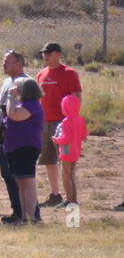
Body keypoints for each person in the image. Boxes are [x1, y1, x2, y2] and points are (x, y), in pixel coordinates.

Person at [0, 50, 38, 224]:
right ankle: (18, 212)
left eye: (8, 61)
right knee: (9, 175)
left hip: (22, 140)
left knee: (24, 178)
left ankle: (31, 214)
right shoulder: (6, 82)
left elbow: (24, 111)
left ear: (19, 63)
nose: (4, 64)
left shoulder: (26, 83)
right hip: (6, 137)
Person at [35, 43, 81, 208]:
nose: (45, 56)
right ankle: (55, 194)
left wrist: (70, 123)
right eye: (44, 53)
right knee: (48, 159)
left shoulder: (69, 73)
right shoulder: (41, 74)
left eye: (49, 53)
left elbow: (76, 98)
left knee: (66, 161)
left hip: (63, 124)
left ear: (58, 54)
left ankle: (71, 198)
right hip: (44, 123)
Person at [3, 76, 45, 225]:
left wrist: (10, 96)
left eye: (17, 88)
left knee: (28, 181)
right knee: (21, 182)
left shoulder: (32, 105)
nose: (15, 90)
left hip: (26, 147)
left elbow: (13, 115)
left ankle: (31, 217)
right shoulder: (22, 104)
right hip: (16, 147)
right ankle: (25, 216)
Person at [52, 94, 87, 208]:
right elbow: (84, 135)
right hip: (76, 150)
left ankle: (69, 200)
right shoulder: (80, 119)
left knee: (65, 176)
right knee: (71, 175)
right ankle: (74, 199)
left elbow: (65, 138)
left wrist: (56, 140)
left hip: (67, 152)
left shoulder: (66, 121)